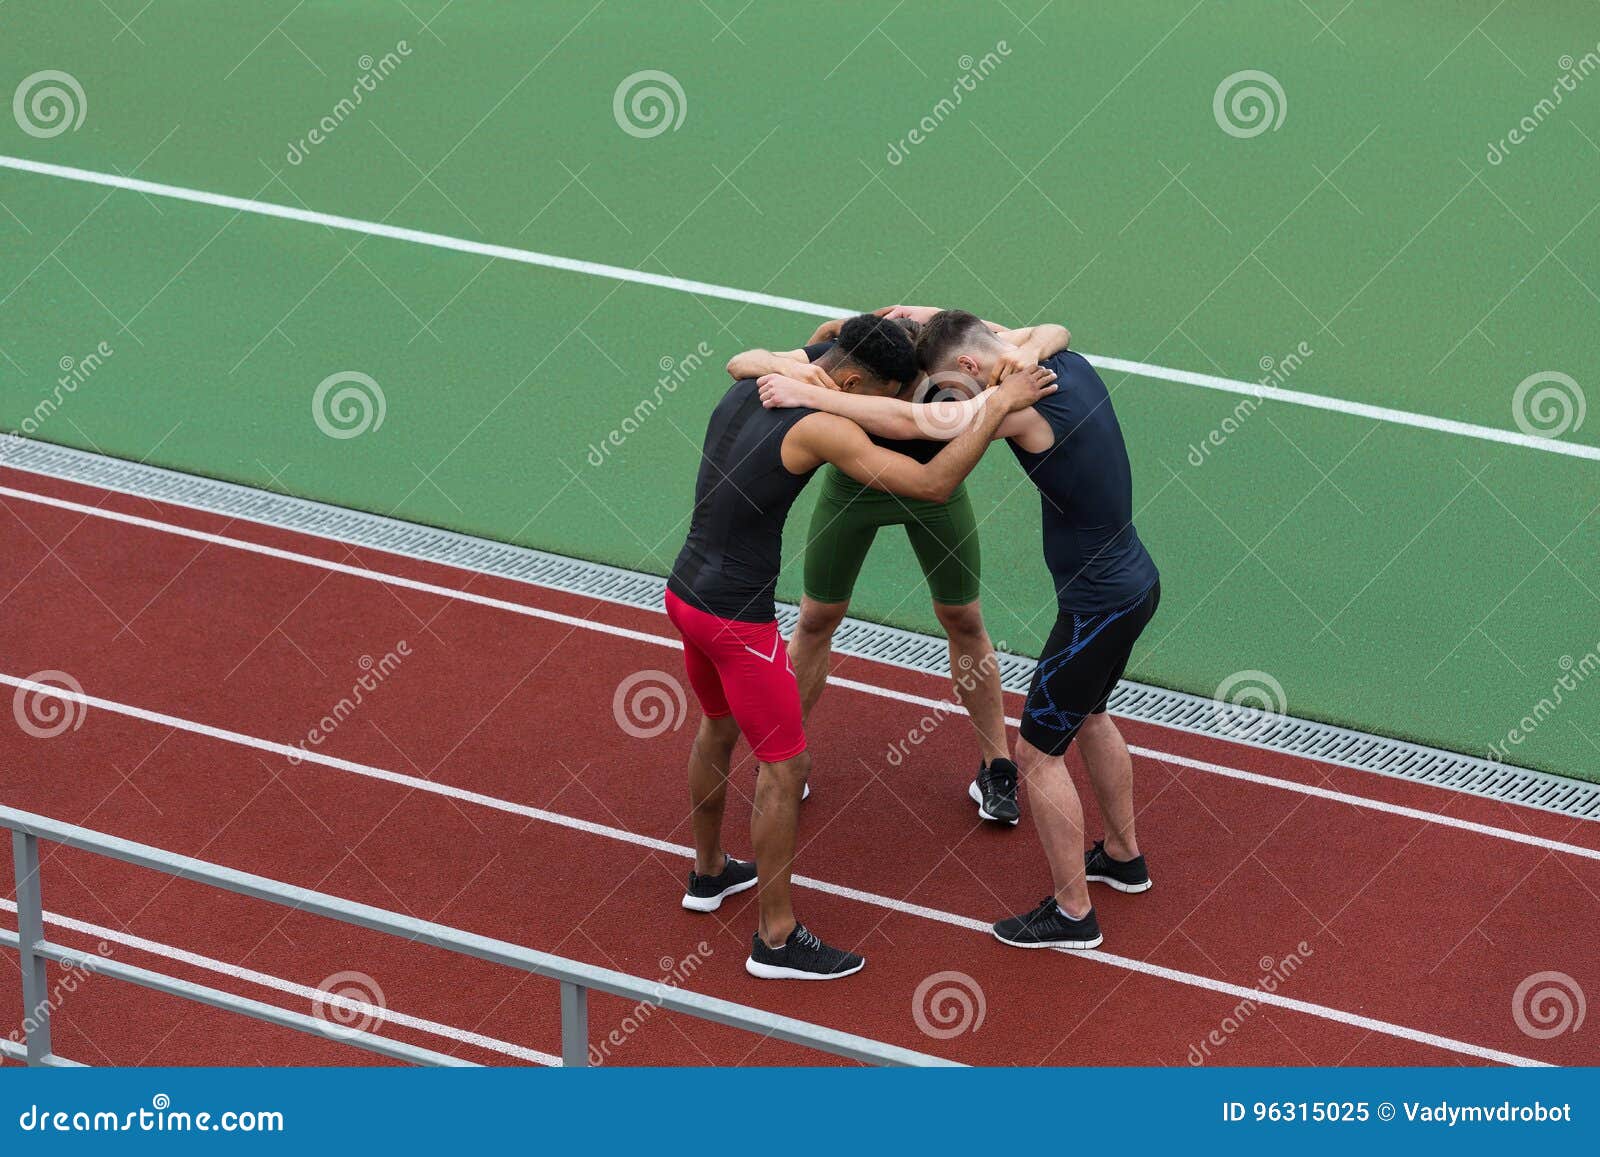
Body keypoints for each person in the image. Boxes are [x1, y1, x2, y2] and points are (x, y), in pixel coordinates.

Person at [668, 313, 1057, 979]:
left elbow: (743, 357)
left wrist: (790, 366)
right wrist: (1002, 404)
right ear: (849, 380)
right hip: (737, 620)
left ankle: (707, 874)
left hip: (684, 595)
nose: (883, 406)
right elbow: (932, 483)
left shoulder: (759, 376)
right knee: (784, 770)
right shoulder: (818, 423)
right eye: (879, 392)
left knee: (716, 729)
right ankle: (777, 937)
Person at [757, 308, 1158, 951]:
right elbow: (1047, 328)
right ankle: (1123, 856)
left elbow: (918, 423)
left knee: (1037, 753)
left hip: (1095, 606)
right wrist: (926, 318)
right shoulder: (1065, 364)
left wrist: (808, 396)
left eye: (952, 379)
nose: (953, 392)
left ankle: (1074, 913)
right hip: (1137, 582)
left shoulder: (1020, 407)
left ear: (972, 366)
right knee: (1092, 715)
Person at [725, 308, 1070, 824]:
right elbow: (742, 361)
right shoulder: (855, 354)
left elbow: (1053, 330)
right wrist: (797, 369)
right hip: (854, 489)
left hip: (935, 488)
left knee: (964, 619)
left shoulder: (941, 360)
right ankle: (784, 756)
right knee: (817, 618)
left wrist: (1026, 351)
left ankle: (997, 765)